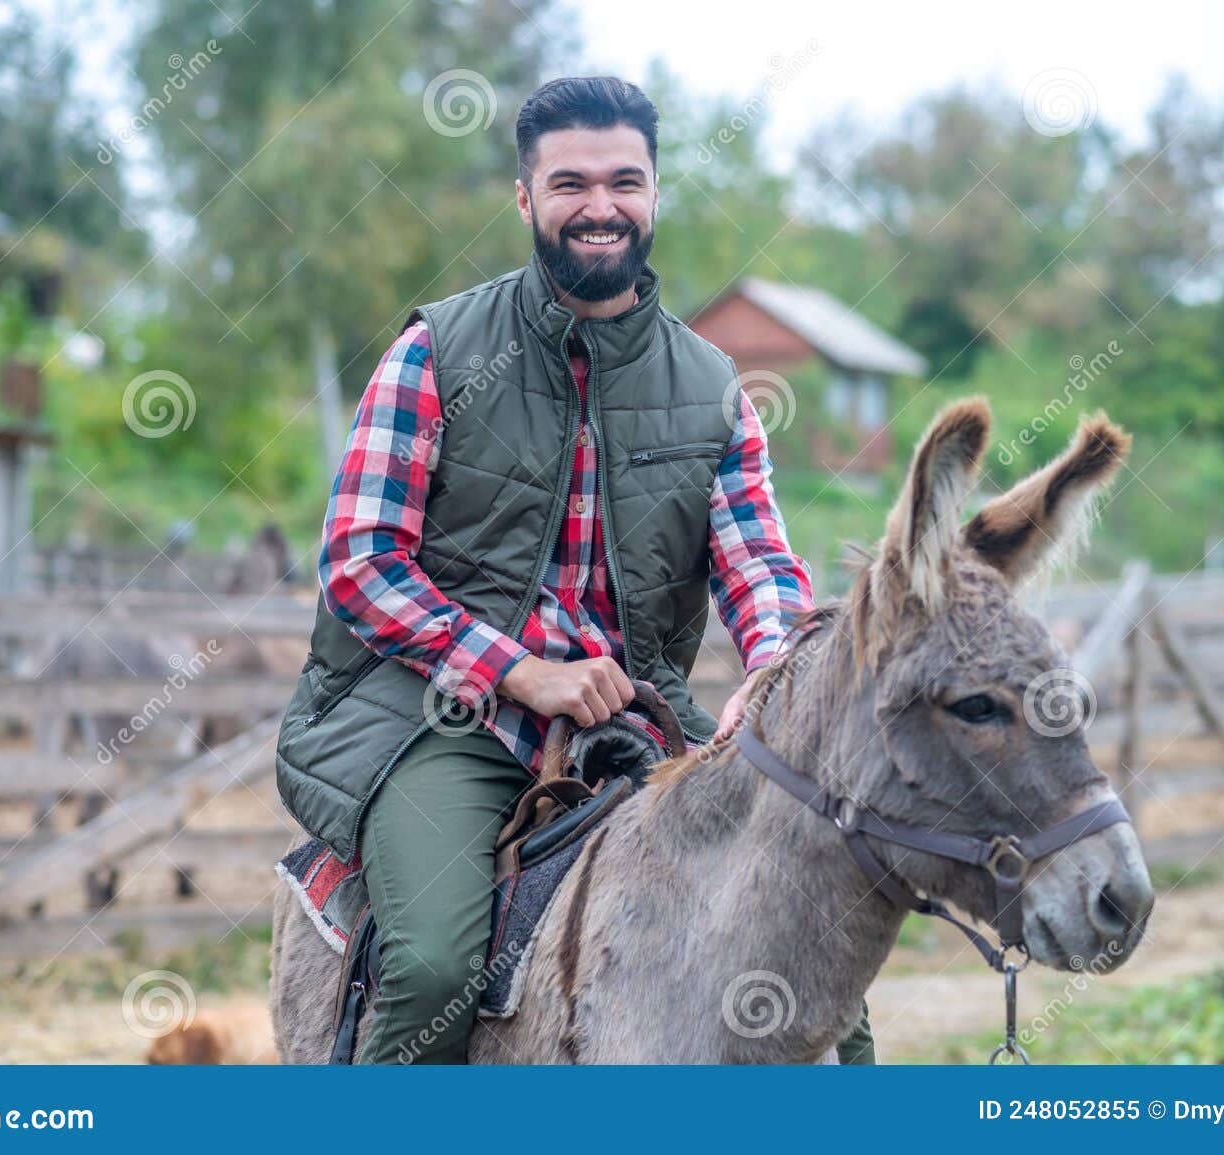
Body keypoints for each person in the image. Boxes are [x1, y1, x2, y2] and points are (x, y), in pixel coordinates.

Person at [276, 75, 873, 1064]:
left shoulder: (711, 387)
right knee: (434, 969)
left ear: (654, 194)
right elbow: (357, 561)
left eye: (623, 181)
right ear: (526, 199)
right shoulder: (436, 350)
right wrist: (519, 669)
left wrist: (771, 674)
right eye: (569, 183)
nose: (599, 206)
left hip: (640, 712)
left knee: (828, 1000)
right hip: (444, 715)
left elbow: (759, 561)